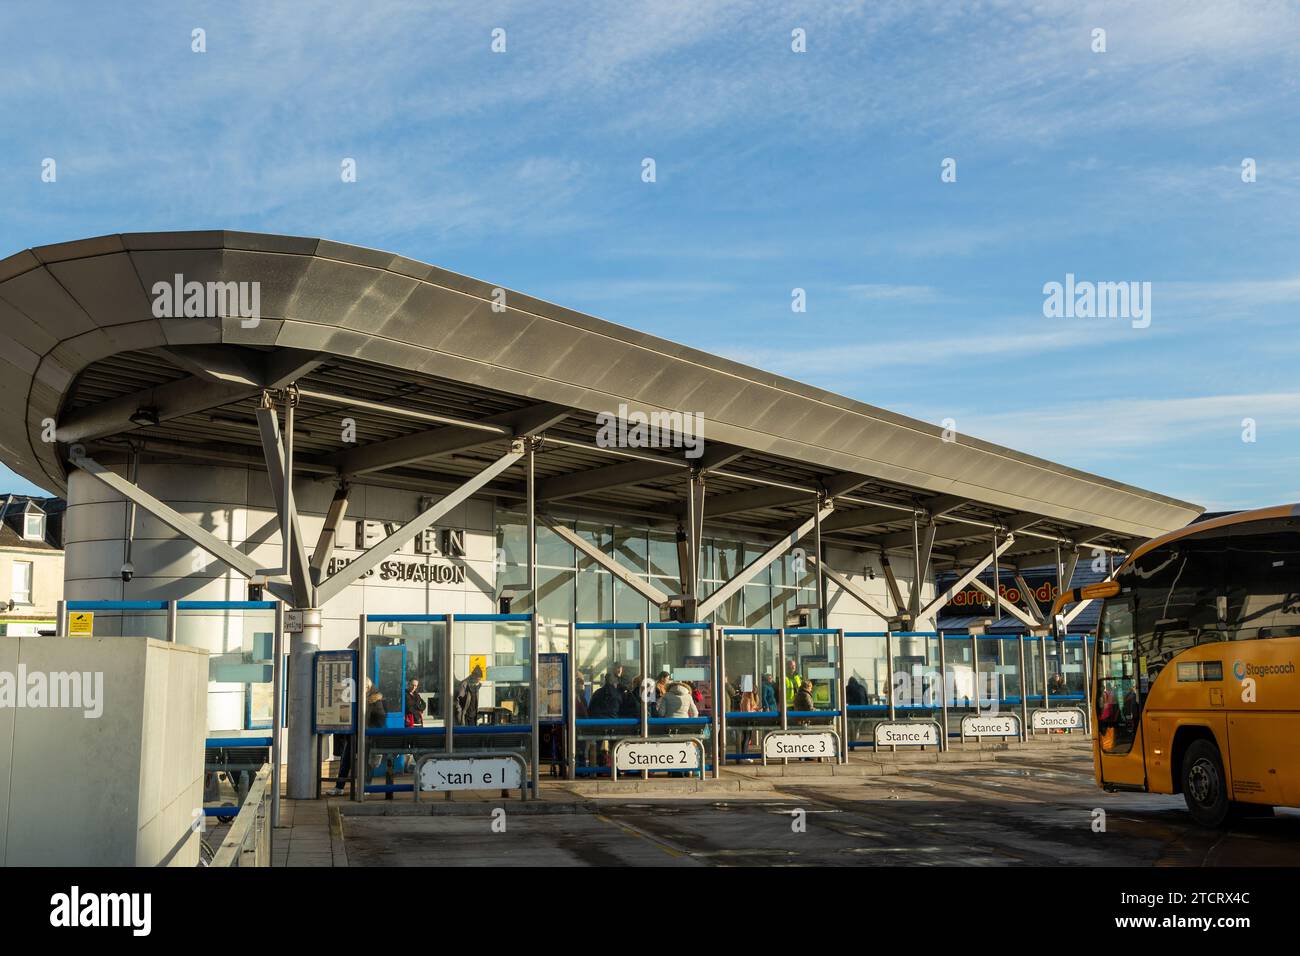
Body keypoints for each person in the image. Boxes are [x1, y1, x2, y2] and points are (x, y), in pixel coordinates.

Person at [327, 678, 373, 796]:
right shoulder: (353, 700)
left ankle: (366, 787)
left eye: (365, 687)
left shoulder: (373, 701)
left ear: (368, 688)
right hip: (352, 735)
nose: (362, 689)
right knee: (345, 761)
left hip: (366, 736)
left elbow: (379, 718)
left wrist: (371, 729)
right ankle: (339, 787)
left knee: (365, 763)